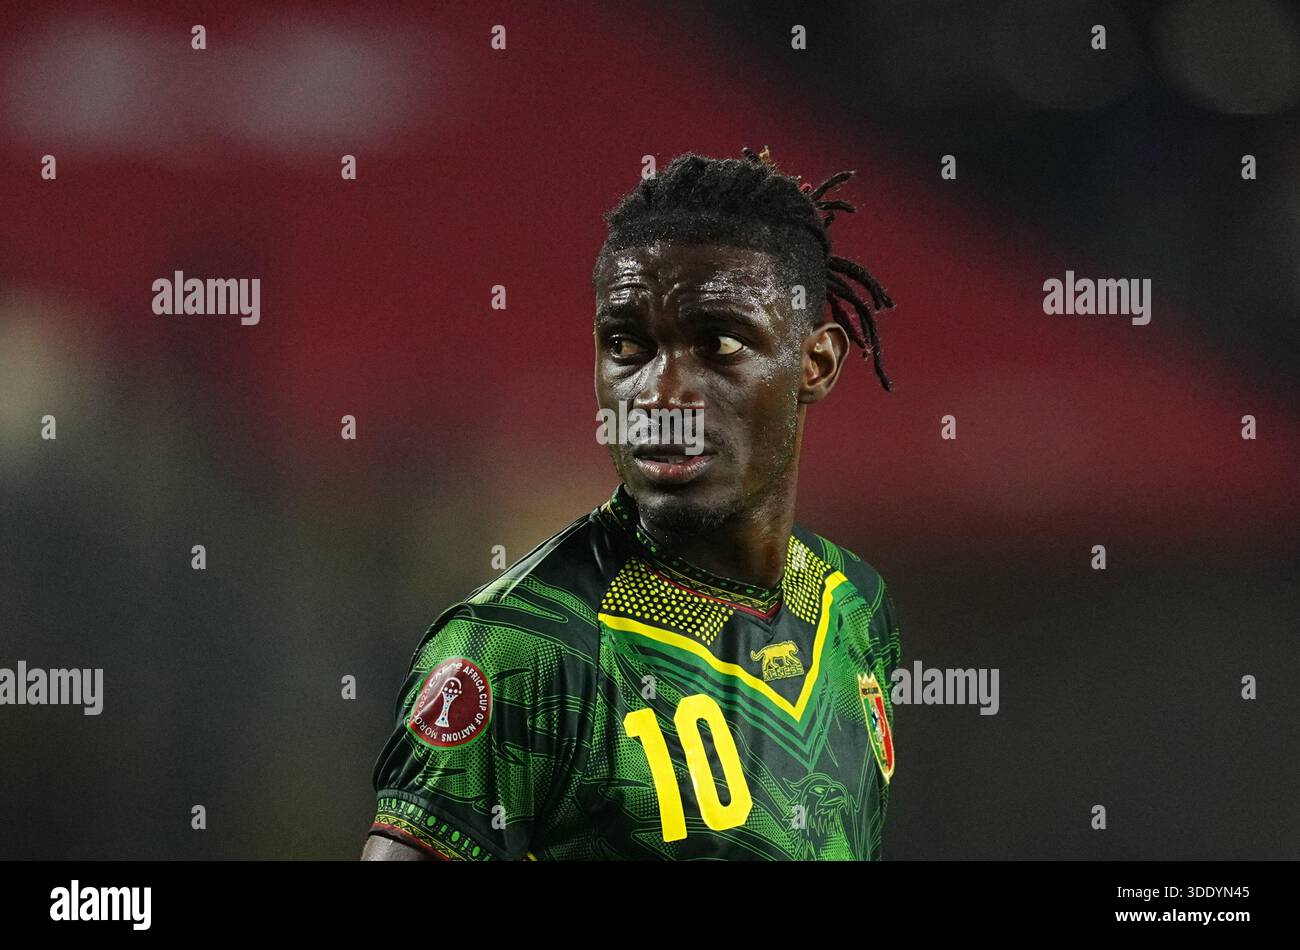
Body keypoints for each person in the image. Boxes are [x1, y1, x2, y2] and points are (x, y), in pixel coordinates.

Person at [362, 145, 902, 860]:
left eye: (717, 343)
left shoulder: (853, 606)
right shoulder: (522, 650)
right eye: (625, 345)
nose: (660, 395)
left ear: (816, 363)